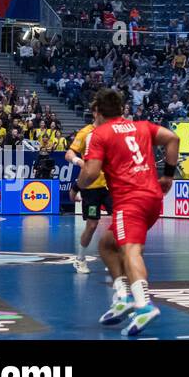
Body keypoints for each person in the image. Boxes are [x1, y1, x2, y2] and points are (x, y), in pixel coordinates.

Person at [76, 87, 181, 337]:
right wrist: (168, 174)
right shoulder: (142, 126)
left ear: (97, 112)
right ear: (122, 109)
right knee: (107, 245)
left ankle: (144, 304)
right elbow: (173, 138)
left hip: (129, 199)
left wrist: (78, 185)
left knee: (130, 250)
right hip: (153, 198)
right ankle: (122, 296)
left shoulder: (99, 134)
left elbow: (90, 174)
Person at [65, 111, 114, 274]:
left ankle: (112, 257)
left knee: (119, 220)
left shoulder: (112, 131)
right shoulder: (85, 132)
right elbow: (69, 153)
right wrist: (78, 161)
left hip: (110, 186)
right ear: (95, 113)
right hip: (91, 187)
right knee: (92, 225)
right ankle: (79, 259)